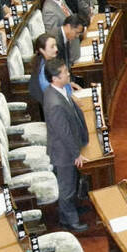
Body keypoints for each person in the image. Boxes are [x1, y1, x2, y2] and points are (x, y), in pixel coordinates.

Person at [42, 59, 91, 231]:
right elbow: (64, 133)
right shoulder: (54, 103)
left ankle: (71, 211)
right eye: (64, 72)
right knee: (67, 187)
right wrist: (76, 154)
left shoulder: (58, 90)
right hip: (63, 153)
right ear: (55, 78)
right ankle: (69, 220)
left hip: (68, 148)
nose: (68, 73)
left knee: (72, 182)